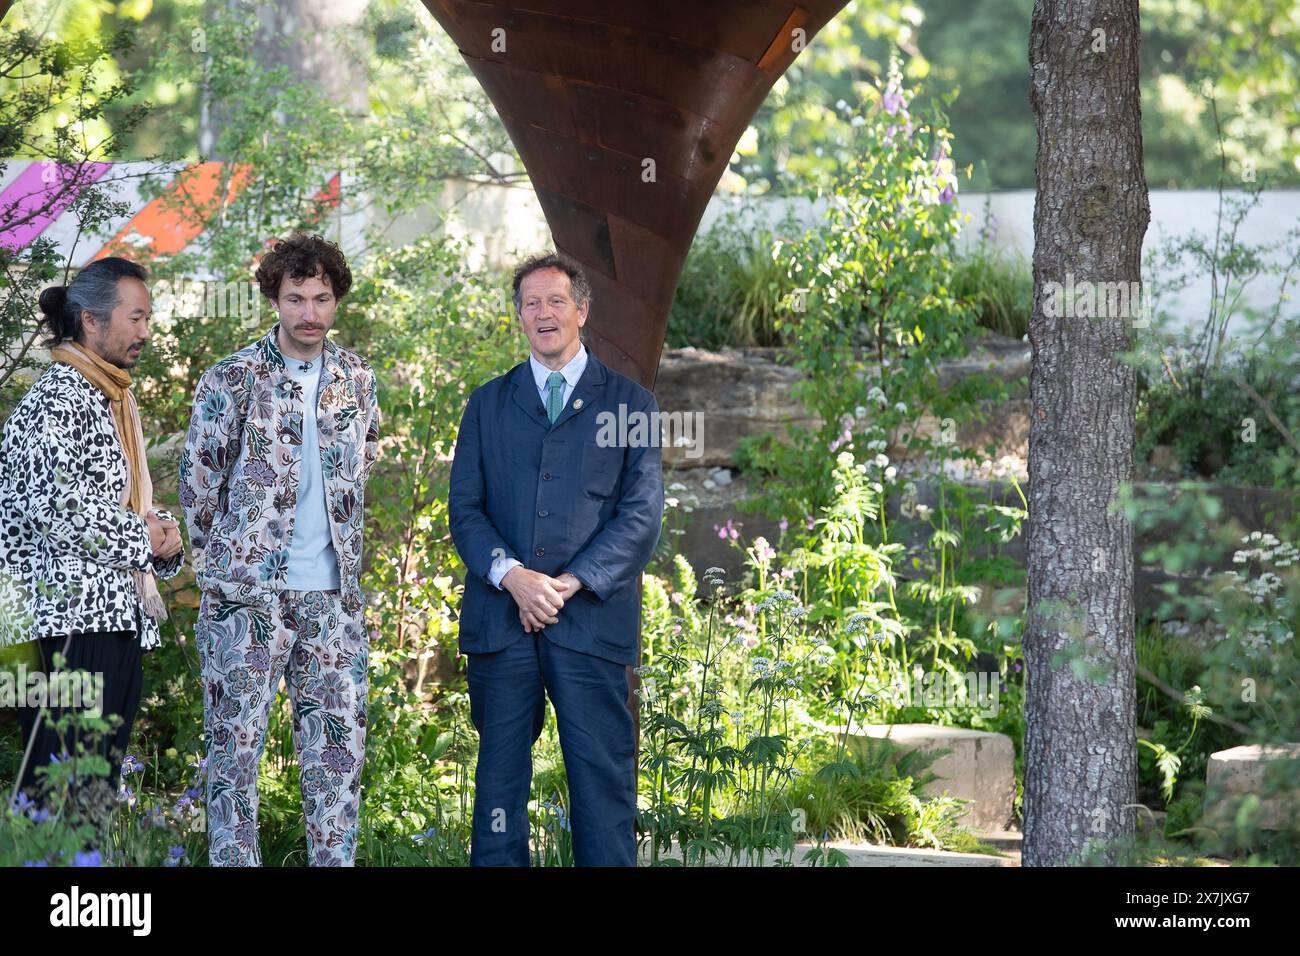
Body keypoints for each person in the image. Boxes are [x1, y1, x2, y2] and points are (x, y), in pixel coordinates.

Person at [449, 251, 663, 866]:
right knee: (497, 795)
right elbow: (465, 508)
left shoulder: (632, 407)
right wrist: (513, 577)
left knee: (603, 791)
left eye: (556, 301)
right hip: (501, 624)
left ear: (582, 311)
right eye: (531, 303)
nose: (544, 313)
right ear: (519, 316)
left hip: (590, 625)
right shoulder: (486, 404)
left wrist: (565, 585)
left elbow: (641, 516)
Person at [179, 233, 380, 866]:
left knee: (337, 766)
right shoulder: (232, 379)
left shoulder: (357, 381)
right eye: (296, 298)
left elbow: (363, 464)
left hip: (333, 602)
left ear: (336, 301)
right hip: (246, 603)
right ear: (272, 298)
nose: (310, 314)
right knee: (233, 766)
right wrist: (230, 572)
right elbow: (199, 486)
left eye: (322, 298)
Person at [0, 257, 184, 813]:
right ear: (91, 322)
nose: (146, 332)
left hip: (109, 617)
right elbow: (52, 507)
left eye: (148, 317)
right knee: (58, 788)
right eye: (136, 317)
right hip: (65, 623)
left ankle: (85, 893)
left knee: (91, 792)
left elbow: (110, 504)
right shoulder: (56, 400)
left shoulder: (110, 399)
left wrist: (163, 539)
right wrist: (141, 537)